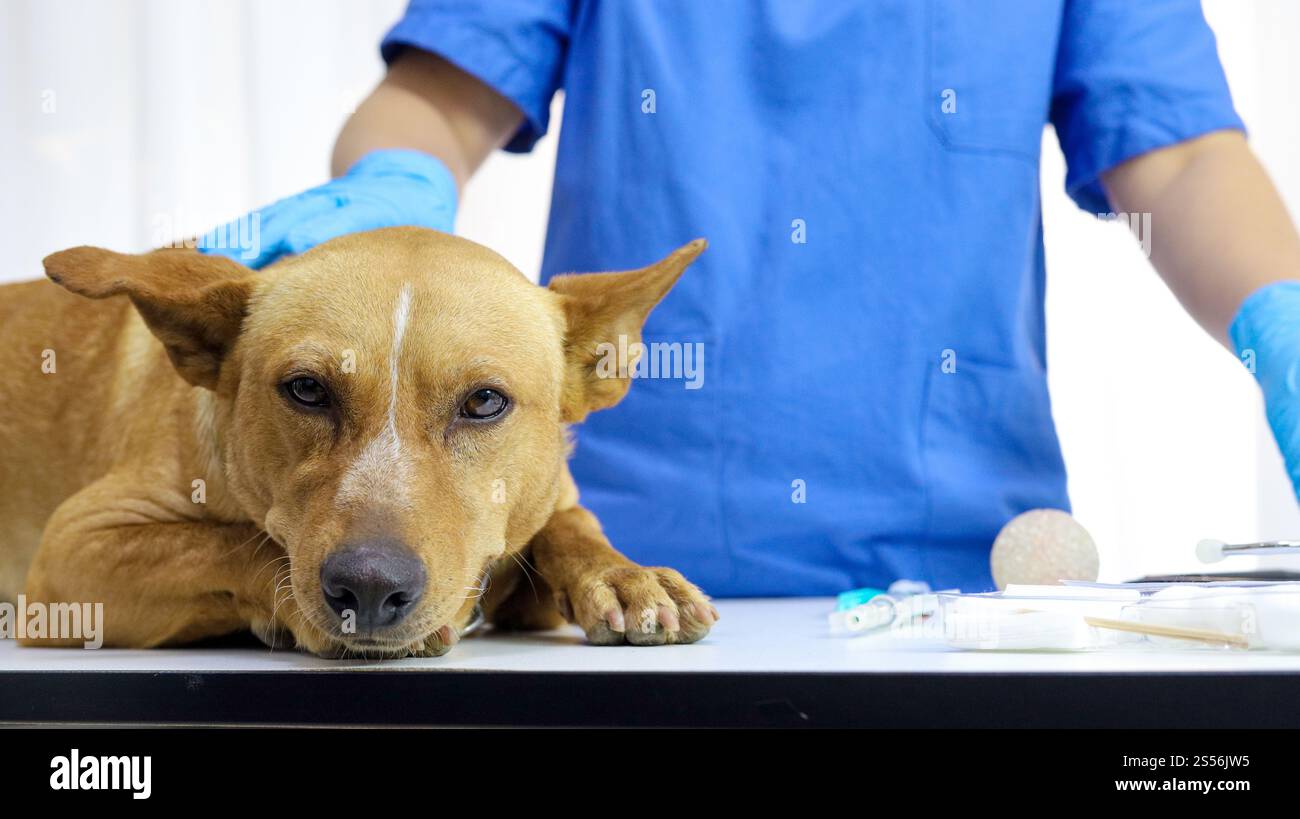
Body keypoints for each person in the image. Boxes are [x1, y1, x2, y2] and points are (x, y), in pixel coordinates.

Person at [202, 1, 1300, 596]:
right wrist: (391, 189)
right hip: (610, 586)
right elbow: (435, 104)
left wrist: (1284, 326)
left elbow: (1182, 160)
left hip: (960, 584)